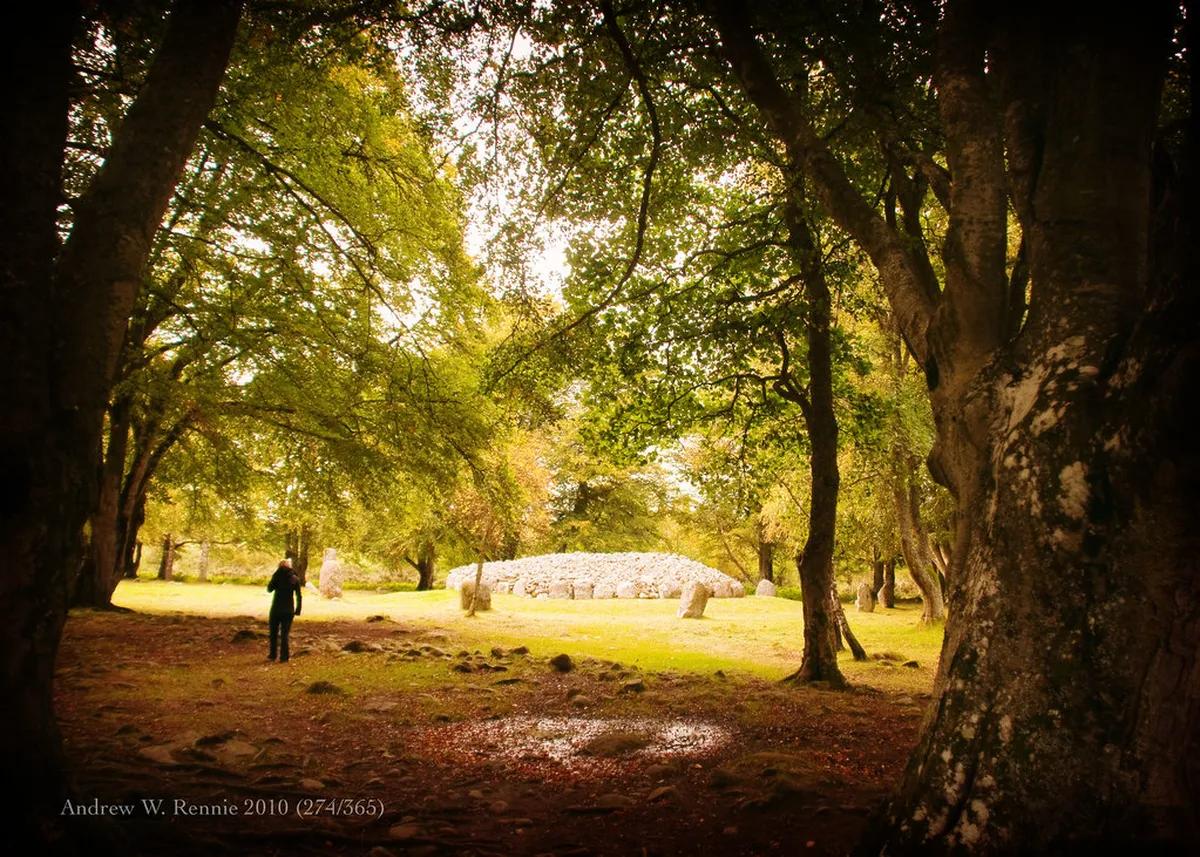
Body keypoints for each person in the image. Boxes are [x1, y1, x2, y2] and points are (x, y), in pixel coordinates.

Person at [266, 555, 302, 662]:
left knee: (273, 632)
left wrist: (275, 577)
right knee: (285, 634)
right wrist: (298, 609)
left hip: (276, 608)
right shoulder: (294, 578)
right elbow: (298, 595)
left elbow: (269, 589)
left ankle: (273, 654)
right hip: (288, 609)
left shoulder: (277, 576)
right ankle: (284, 657)